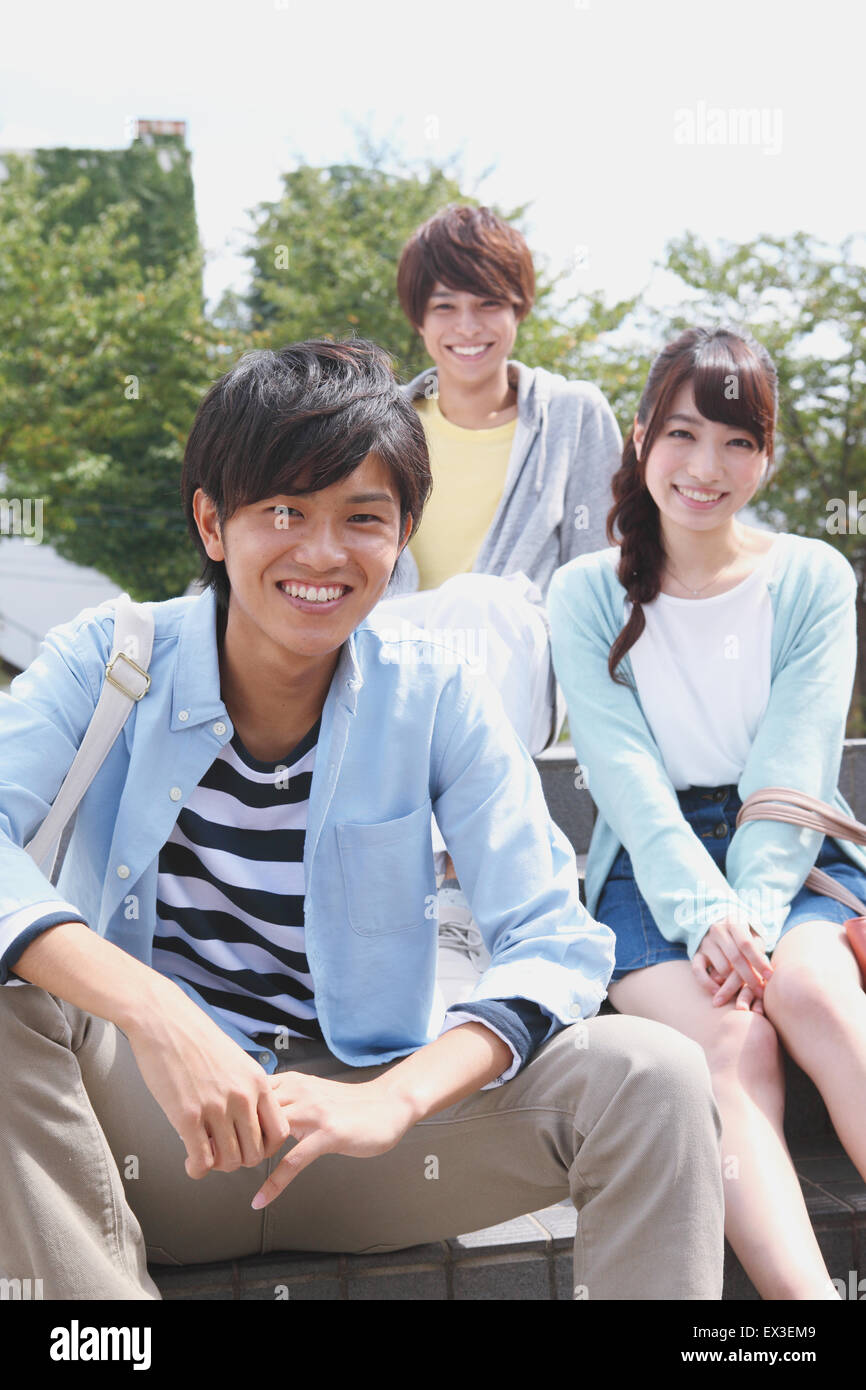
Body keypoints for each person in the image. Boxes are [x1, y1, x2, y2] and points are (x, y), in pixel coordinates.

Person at [0, 339, 724, 1300]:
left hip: (365, 1139)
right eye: (284, 512)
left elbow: (553, 937)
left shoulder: (435, 694)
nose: (323, 553)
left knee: (656, 1073)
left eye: (362, 518)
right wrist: (156, 1010)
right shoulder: (111, 657)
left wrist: (399, 1098)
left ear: (403, 535)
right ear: (213, 523)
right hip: (148, 1146)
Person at [547, 325, 866, 1300]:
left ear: (764, 457)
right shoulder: (583, 593)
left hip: (793, 852)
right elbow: (628, 782)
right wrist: (704, 915)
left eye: (736, 441)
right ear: (641, 438)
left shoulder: (810, 576)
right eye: (682, 434)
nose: (705, 466)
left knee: (811, 995)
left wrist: (750, 916)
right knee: (727, 1043)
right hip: (648, 874)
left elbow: (793, 762)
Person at [382, 205, 622, 998]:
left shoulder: (574, 416)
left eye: (488, 303)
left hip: (515, 656)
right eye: (444, 306)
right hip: (396, 658)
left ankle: (456, 881)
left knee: (483, 605)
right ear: (419, 321)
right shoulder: (381, 427)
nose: (467, 327)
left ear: (519, 309)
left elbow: (598, 577)